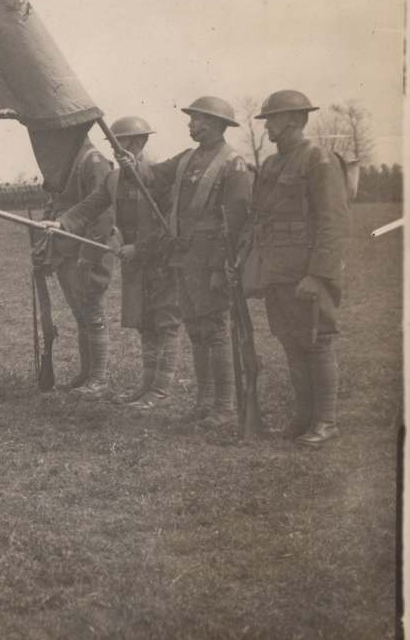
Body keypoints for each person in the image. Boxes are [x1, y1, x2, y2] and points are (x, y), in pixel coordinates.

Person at [133, 97, 253, 428]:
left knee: (215, 331)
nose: (190, 124)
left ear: (216, 124)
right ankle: (204, 403)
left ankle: (225, 406)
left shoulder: (233, 164)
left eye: (197, 120)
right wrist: (131, 162)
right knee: (197, 331)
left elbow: (237, 222)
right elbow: (152, 177)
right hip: (183, 258)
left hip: (212, 260)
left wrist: (219, 267)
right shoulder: (187, 159)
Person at [50, 116, 180, 408]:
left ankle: (160, 390)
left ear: (140, 142)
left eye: (120, 143)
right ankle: (146, 387)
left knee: (166, 324)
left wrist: (140, 248)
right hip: (135, 263)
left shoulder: (160, 177)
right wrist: (61, 223)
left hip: (162, 260)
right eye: (112, 143)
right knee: (145, 324)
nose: (114, 149)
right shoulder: (114, 178)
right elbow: (89, 207)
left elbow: (171, 225)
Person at [250, 90, 350, 446]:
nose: (268, 126)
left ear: (294, 119)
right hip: (277, 271)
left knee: (317, 341)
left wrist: (317, 275)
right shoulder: (271, 165)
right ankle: (303, 417)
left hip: (308, 272)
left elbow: (332, 222)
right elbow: (259, 219)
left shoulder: (319, 160)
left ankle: (326, 421)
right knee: (291, 342)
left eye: (273, 119)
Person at [36, 137, 115, 397]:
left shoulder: (93, 161)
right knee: (81, 315)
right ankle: (87, 373)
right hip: (66, 250)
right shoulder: (69, 162)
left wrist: (89, 255)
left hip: (87, 250)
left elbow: (102, 210)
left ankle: (99, 377)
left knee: (93, 314)